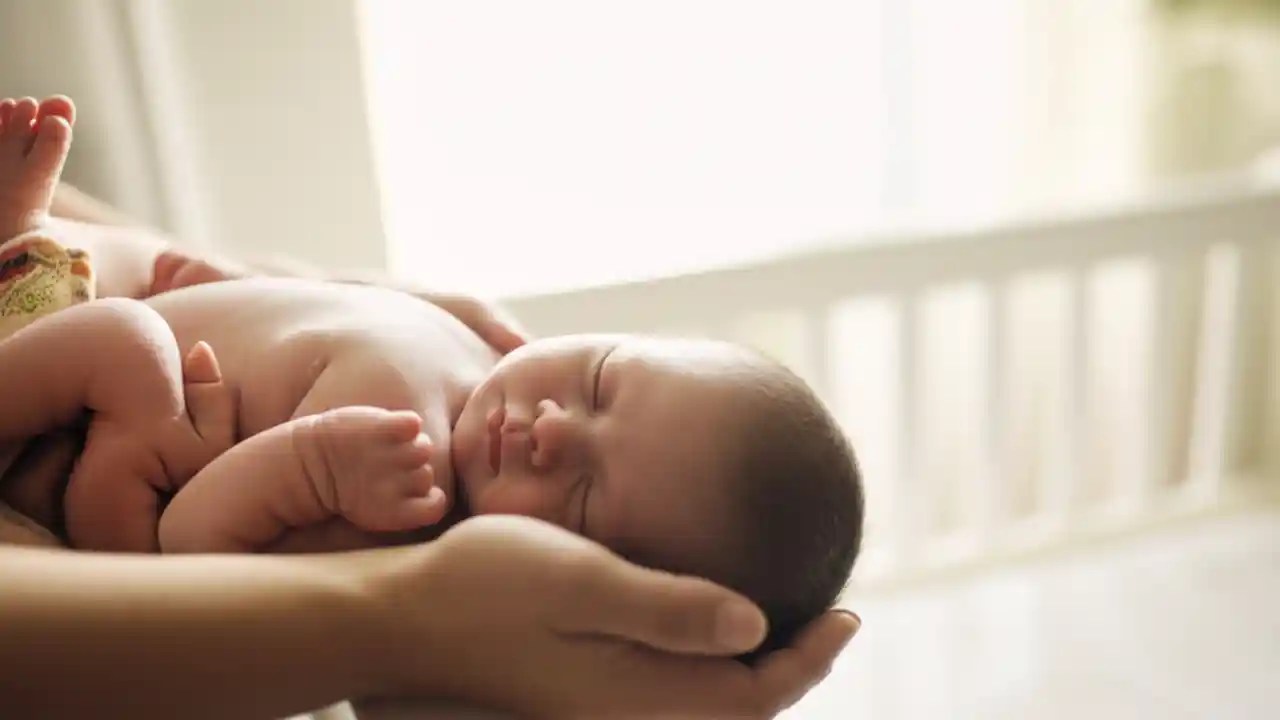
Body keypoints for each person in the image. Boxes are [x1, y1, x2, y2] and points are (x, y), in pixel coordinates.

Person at [0, 95, 862, 719]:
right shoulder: (479, 340)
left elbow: (193, 553)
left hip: (75, 443)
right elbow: (294, 307)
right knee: (110, 301)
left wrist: (305, 466)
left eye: (585, 497)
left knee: (125, 345)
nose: (555, 430)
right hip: (59, 297)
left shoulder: (399, 504)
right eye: (601, 381)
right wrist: (245, 281)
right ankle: (24, 239)